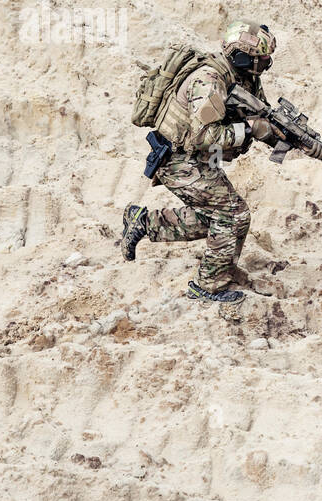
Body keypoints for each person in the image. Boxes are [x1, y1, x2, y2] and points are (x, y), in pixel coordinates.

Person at [119, 20, 280, 304]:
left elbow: (261, 115)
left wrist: (282, 135)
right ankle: (208, 287)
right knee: (233, 215)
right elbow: (203, 136)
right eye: (261, 59)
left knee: (219, 218)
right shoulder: (209, 80)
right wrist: (249, 130)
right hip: (177, 160)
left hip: (198, 158)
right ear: (242, 56)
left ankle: (143, 222)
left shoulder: (244, 77)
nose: (265, 64)